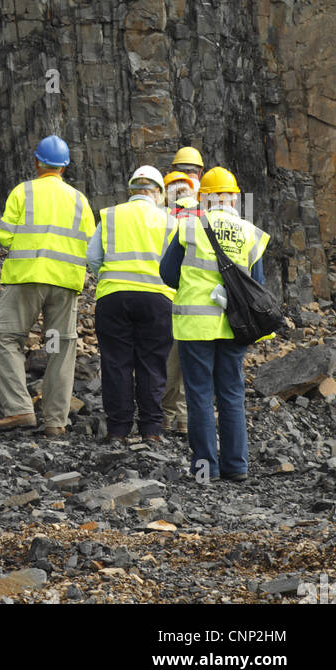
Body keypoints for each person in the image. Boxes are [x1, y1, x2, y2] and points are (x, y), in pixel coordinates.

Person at [159, 166, 268, 482]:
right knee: (232, 394)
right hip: (236, 325)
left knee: (199, 395)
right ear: (233, 198)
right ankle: (237, 467)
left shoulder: (189, 228)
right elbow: (257, 283)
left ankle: (205, 468)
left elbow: (167, 274)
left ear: (203, 198)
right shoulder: (250, 233)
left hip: (195, 325)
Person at [0, 134, 95, 436]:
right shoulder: (79, 200)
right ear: (65, 167)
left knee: (6, 337)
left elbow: (4, 235)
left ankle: (20, 409)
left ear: (37, 162)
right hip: (65, 283)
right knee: (60, 348)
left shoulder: (23, 192)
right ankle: (55, 422)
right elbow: (90, 245)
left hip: (27, 277)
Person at [88, 166, 175, 443]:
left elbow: (92, 258)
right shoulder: (170, 222)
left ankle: (118, 430)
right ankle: (151, 430)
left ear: (132, 190)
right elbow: (177, 266)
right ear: (158, 193)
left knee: (116, 363)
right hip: (157, 300)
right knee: (152, 363)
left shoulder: (110, 215)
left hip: (114, 297)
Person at [161, 170, 198, 435]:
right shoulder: (203, 217)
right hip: (197, 300)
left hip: (167, 297)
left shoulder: (164, 216)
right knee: (190, 363)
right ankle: (185, 420)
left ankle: (164, 418)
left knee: (169, 361)